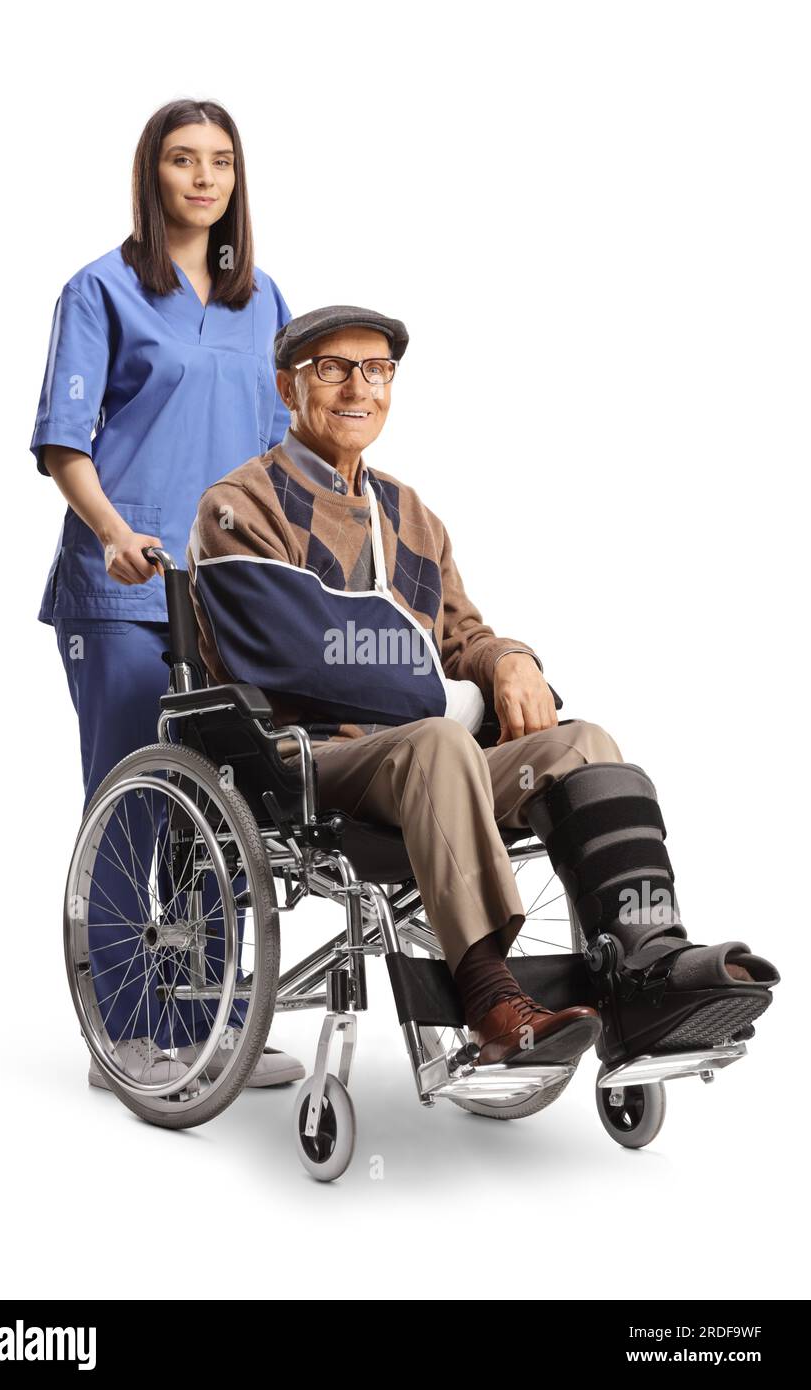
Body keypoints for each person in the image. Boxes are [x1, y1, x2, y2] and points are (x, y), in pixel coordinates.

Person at [185, 305, 780, 1070]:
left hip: (432, 765)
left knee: (584, 745)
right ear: (287, 386)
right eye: (332, 369)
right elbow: (295, 653)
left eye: (377, 370)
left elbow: (461, 633)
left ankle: (644, 967)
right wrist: (442, 694)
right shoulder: (237, 505)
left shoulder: (412, 515)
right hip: (308, 761)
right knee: (439, 738)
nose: (356, 387)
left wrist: (506, 663)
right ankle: (489, 996)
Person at [30, 98, 305, 1090]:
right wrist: (112, 535)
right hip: (129, 590)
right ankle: (126, 1028)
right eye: (182, 161)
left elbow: (288, 449)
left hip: (233, 599)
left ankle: (207, 1017)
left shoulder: (260, 296)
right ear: (151, 176)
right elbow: (65, 443)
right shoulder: (101, 289)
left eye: (219, 162)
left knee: (223, 812)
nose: (202, 178)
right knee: (135, 803)